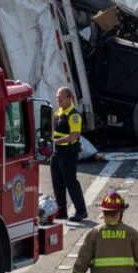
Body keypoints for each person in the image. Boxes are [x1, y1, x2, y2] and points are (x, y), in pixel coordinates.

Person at [50, 87, 88, 222]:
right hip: (57, 152)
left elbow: (74, 135)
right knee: (57, 183)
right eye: (57, 97)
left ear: (69, 98)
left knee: (71, 182)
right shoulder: (59, 112)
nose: (58, 100)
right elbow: (53, 129)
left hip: (68, 153)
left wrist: (57, 141)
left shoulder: (74, 115)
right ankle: (61, 212)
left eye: (60, 98)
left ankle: (81, 211)